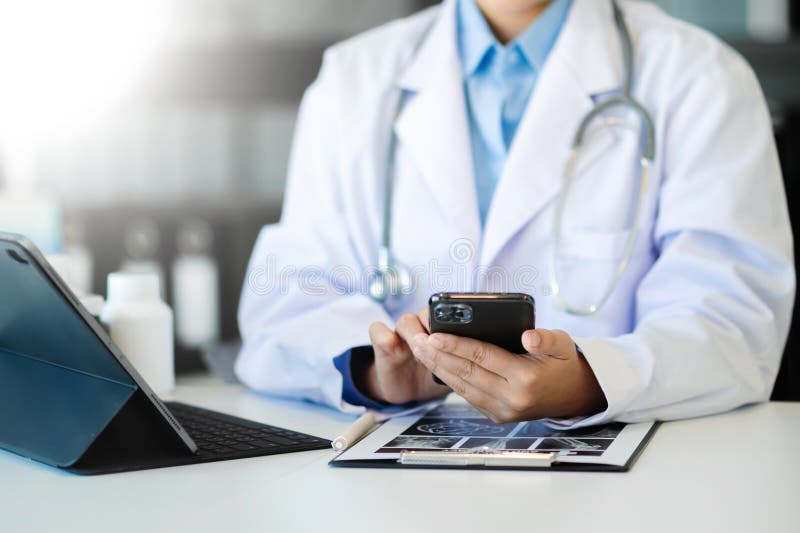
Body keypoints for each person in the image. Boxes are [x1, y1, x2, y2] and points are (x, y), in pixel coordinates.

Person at [236, 0, 795, 427]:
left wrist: (591, 382)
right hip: (398, 483)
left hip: (625, 485)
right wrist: (375, 372)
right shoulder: (353, 79)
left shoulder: (700, 77)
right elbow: (284, 308)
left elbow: (734, 322)